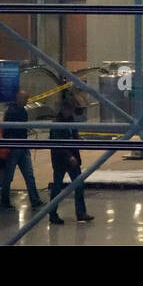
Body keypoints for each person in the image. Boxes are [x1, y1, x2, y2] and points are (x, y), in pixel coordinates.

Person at [47, 90, 94, 225]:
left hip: (72, 158)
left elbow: (73, 133)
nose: (71, 112)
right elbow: (58, 143)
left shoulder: (70, 119)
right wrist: (69, 156)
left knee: (79, 185)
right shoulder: (57, 123)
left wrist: (78, 139)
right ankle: (52, 213)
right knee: (57, 187)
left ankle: (81, 213)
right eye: (69, 110)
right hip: (61, 160)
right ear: (63, 109)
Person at [0, 90, 44, 210]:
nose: (27, 101)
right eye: (25, 98)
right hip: (15, 146)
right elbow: (9, 130)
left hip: (20, 145)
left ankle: (34, 199)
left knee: (25, 175)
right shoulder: (13, 112)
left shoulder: (19, 111)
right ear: (18, 98)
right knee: (14, 176)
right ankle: (7, 200)